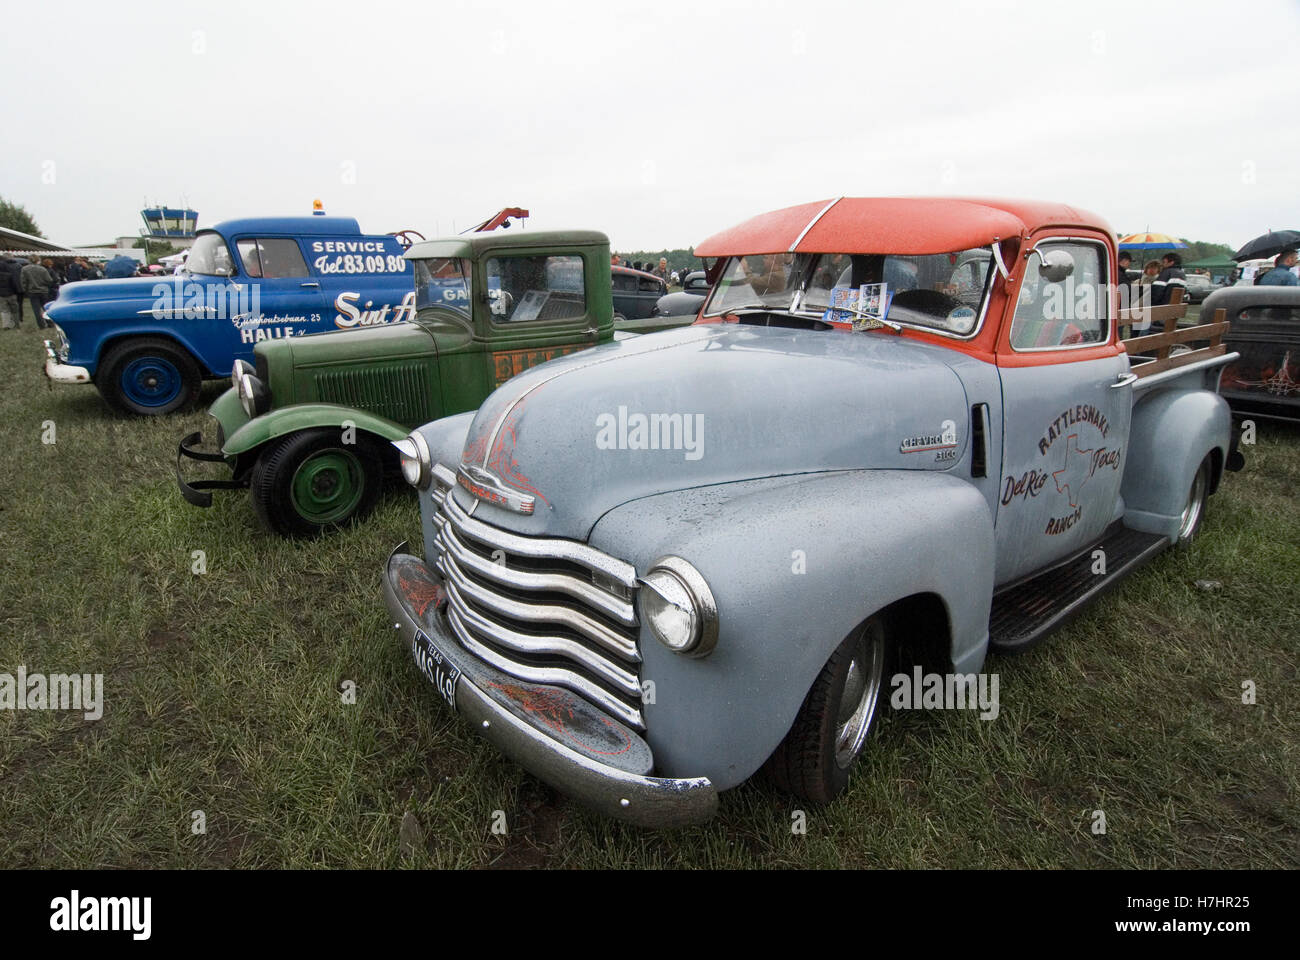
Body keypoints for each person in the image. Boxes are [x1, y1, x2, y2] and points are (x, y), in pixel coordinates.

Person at [20, 257, 55, 329]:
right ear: (38, 261)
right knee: (46, 308)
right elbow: (49, 280)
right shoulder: (42, 269)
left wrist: (25, 290)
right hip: (43, 291)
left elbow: (23, 281)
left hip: (32, 291)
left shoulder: (24, 269)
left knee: (36, 310)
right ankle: (50, 323)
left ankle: (41, 325)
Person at [0, 256, 22, 329]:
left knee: (4, 310)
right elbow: (14, 285)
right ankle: (17, 324)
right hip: (11, 294)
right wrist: (16, 292)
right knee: (15, 310)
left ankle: (6, 325)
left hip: (1, 295)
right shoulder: (9, 275)